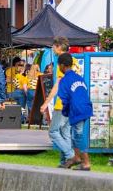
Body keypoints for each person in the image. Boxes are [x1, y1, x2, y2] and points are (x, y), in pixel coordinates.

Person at [56, 53, 94, 172]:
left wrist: (66, 112)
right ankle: (76, 158)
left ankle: (86, 163)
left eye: (59, 66)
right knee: (74, 135)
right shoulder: (79, 78)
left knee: (78, 136)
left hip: (76, 110)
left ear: (62, 65)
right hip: (86, 108)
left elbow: (64, 98)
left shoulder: (65, 80)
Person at [39, 37, 73, 166]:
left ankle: (71, 155)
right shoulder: (73, 60)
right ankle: (64, 162)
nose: (52, 49)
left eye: (53, 47)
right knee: (65, 134)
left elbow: (58, 85)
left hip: (62, 104)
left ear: (58, 47)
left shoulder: (61, 63)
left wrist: (46, 102)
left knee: (53, 132)